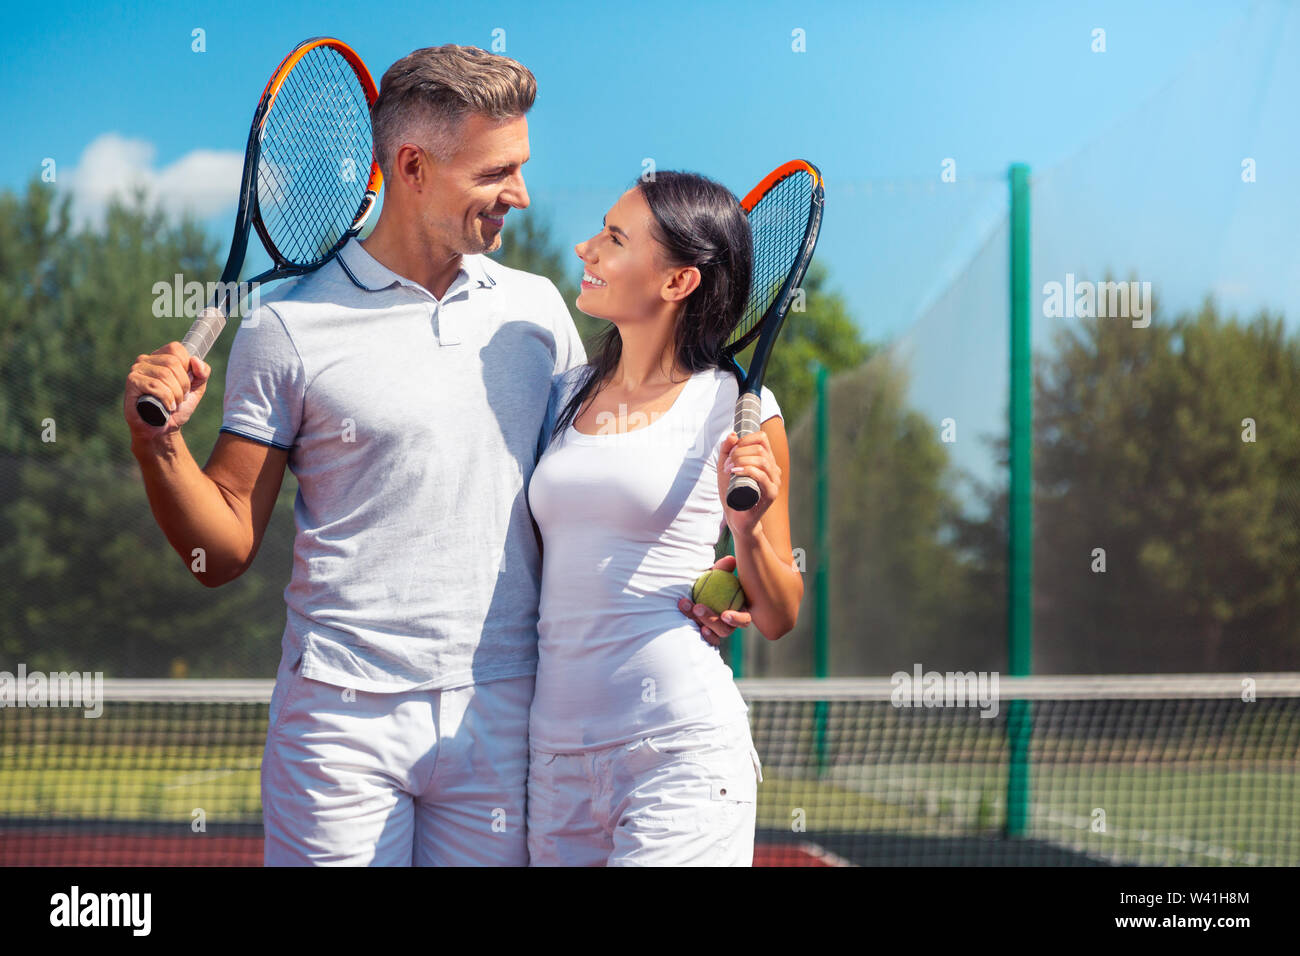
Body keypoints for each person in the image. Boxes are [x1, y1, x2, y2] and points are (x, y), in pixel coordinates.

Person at [123, 45, 740, 866]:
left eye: (520, 168)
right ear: (412, 167)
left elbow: (584, 491)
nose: (518, 195)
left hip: (508, 711)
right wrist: (157, 444)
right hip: (340, 721)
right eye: (495, 174)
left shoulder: (538, 312)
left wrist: (687, 587)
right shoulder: (286, 328)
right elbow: (222, 546)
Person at [526, 171, 804, 866]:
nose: (586, 250)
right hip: (553, 758)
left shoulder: (738, 409)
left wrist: (745, 534)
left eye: (615, 240)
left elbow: (778, 613)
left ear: (678, 282)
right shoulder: (559, 395)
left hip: (678, 749)